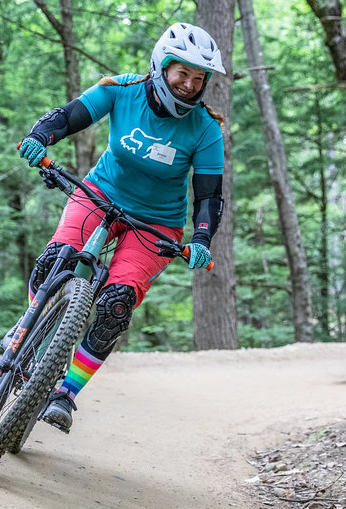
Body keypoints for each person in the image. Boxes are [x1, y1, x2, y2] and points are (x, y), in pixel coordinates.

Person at [14, 22, 227, 433]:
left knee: (116, 304)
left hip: (157, 224)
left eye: (199, 78)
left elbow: (208, 196)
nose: (188, 84)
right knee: (55, 261)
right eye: (181, 73)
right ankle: (30, 334)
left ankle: (65, 395)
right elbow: (70, 116)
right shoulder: (121, 90)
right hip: (100, 193)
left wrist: (201, 237)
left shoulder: (205, 129)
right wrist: (41, 136)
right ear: (161, 66)